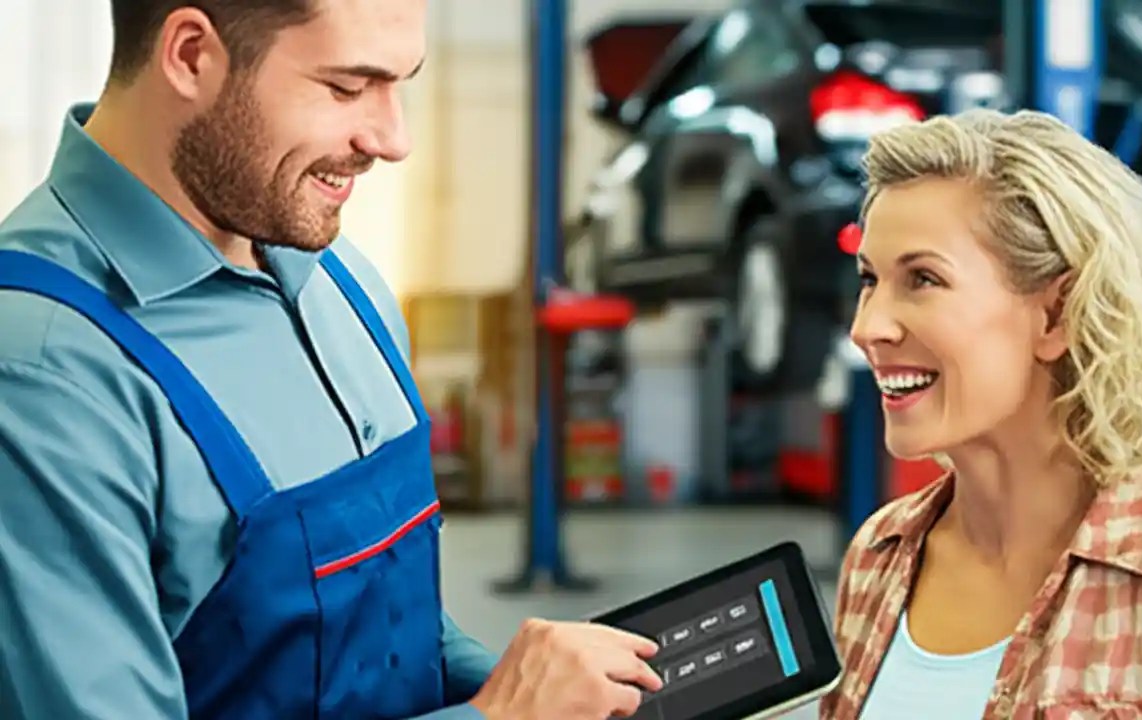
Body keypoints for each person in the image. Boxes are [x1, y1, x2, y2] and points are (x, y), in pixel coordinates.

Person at [0, 1, 663, 719]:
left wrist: (552, 692)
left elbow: (383, 635)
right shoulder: (42, 370)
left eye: (400, 83)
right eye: (347, 88)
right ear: (191, 55)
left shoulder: (338, 280)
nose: (392, 138)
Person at [818, 109, 1142, 719]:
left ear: (1058, 314)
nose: (867, 327)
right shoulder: (878, 555)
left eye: (923, 279)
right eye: (870, 279)